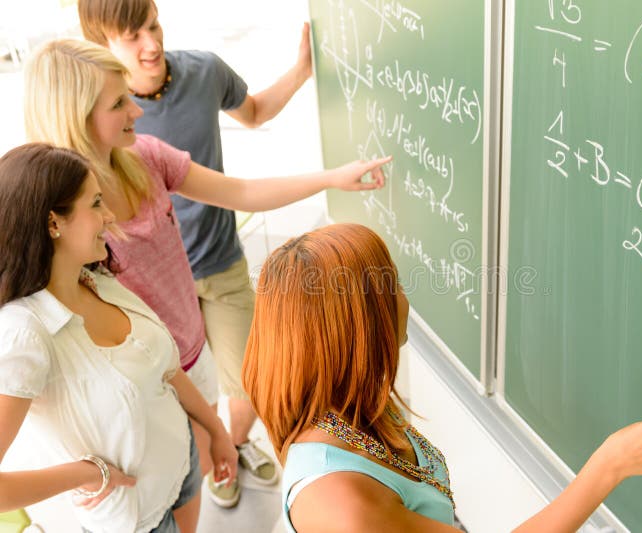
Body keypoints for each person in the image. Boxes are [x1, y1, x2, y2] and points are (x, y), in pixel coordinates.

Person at [22, 38, 390, 507]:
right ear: (75, 116)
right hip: (141, 386)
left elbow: (238, 191)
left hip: (190, 356)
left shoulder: (145, 157)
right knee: (165, 492)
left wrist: (330, 178)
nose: (137, 110)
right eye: (118, 103)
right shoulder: (57, 217)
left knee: (196, 469)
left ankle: (224, 452)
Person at [241, 223, 642, 533]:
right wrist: (610, 465)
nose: (407, 298)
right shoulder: (340, 507)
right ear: (358, 330)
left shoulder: (349, 407)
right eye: (395, 286)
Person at [77, 0, 314, 504]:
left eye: (153, 26)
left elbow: (253, 115)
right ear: (102, 49)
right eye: (132, 37)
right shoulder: (96, 133)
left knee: (248, 377)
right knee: (189, 395)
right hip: (153, 292)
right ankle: (212, 457)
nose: (152, 44)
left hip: (220, 261)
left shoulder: (203, 71)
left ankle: (234, 445)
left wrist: (301, 72)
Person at [0, 143, 238, 533]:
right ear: (53, 223)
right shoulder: (24, 333)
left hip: (183, 465)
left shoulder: (96, 278)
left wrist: (216, 430)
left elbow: (166, 369)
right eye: (95, 204)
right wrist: (86, 474)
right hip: (135, 518)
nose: (109, 216)